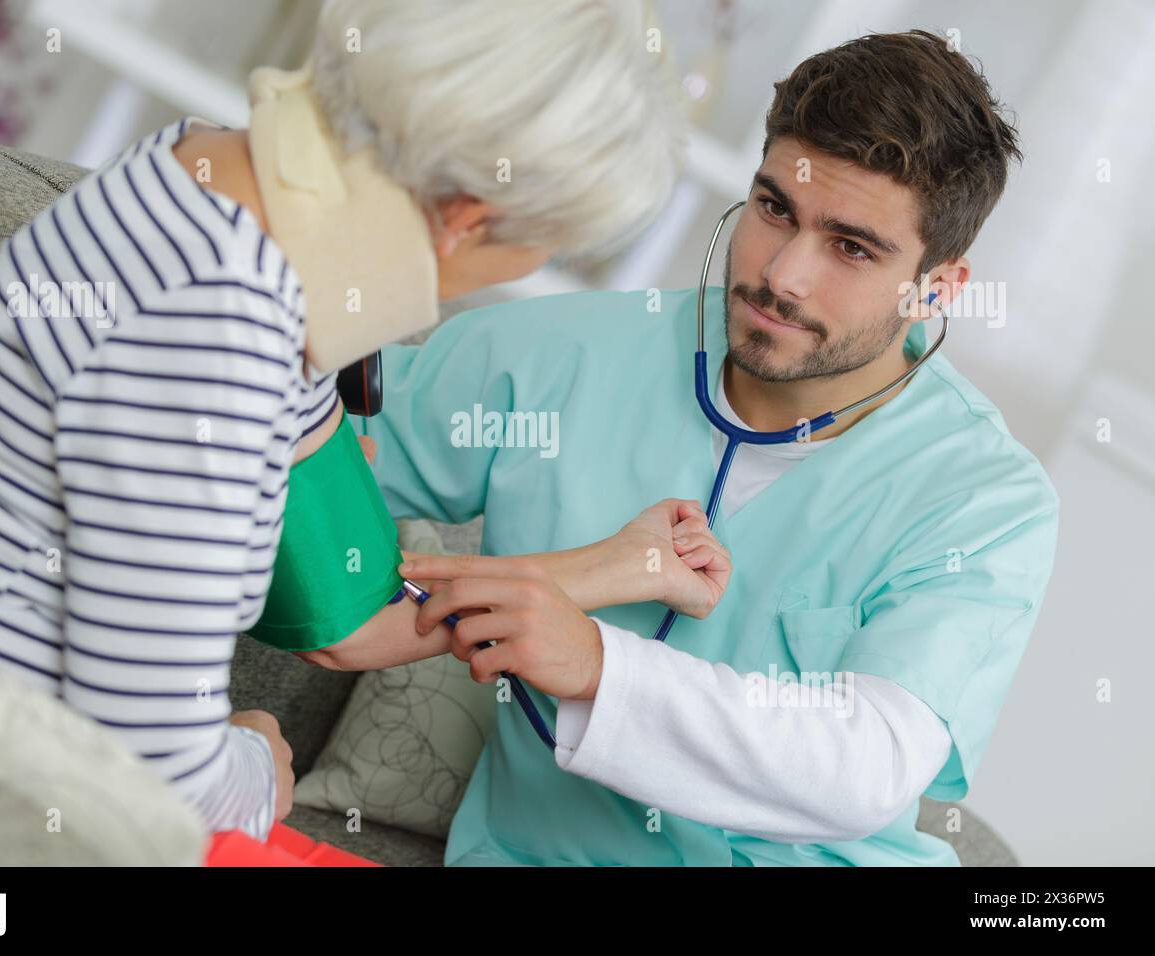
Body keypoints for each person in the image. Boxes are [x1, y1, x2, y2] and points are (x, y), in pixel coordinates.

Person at [0, 0, 696, 840]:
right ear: (467, 217)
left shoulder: (207, 180)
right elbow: (156, 768)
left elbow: (347, 601)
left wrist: (608, 569)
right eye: (533, 248)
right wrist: (255, 763)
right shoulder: (221, 326)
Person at [346, 30, 1060, 866]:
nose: (784, 276)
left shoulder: (984, 498)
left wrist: (599, 668)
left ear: (937, 287)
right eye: (773, 210)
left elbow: (868, 766)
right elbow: (293, 444)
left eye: (851, 247)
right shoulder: (553, 356)